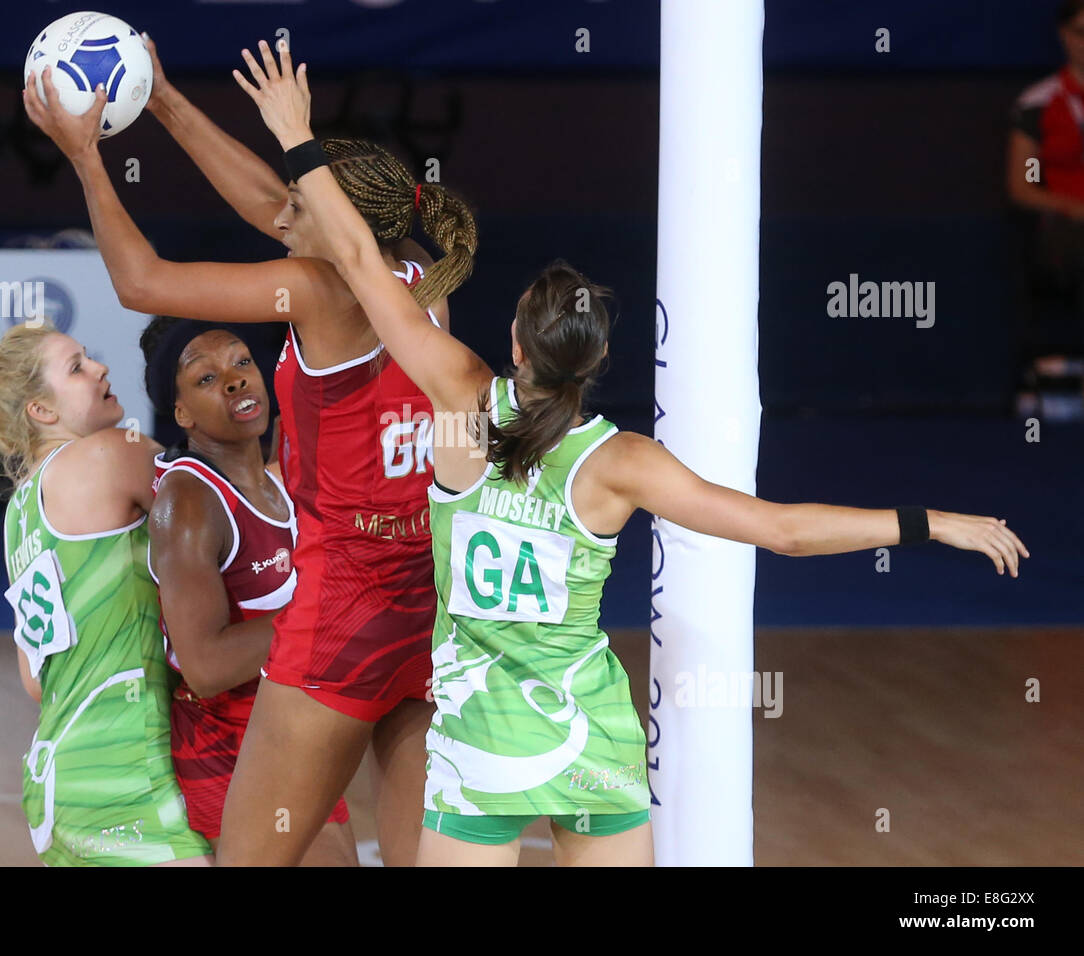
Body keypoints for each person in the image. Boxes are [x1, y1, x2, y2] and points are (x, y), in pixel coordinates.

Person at [237, 38, 1033, 866]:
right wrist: (930, 523)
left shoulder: (461, 402)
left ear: (515, 343)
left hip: (482, 743)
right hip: (590, 738)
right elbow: (783, 531)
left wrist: (297, 136)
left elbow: (359, 259)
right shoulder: (620, 464)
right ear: (598, 361)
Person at [23, 38, 478, 865]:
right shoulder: (419, 274)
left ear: (335, 223)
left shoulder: (319, 291)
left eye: (299, 208)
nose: (280, 217)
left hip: (341, 614)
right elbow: (278, 202)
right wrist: (163, 99)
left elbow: (141, 283)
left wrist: (87, 159)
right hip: (428, 607)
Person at [0, 321, 212, 866]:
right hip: (124, 769)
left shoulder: (19, 514)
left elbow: (34, 679)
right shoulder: (110, 453)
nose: (99, 368)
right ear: (42, 410)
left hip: (57, 777)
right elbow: (230, 506)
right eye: (77, 368)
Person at [141, 316, 357, 865]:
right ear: (182, 413)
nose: (235, 379)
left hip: (294, 734)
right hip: (228, 748)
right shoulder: (189, 502)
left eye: (241, 362)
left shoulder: (281, 474)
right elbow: (205, 665)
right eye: (206, 378)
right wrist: (327, 607)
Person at [1006, 0, 1084, 413]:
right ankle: (1056, 372)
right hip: (1064, 224)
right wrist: (1071, 207)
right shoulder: (1039, 102)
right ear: (1063, 35)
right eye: (1081, 33)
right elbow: (1024, 185)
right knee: (1063, 243)